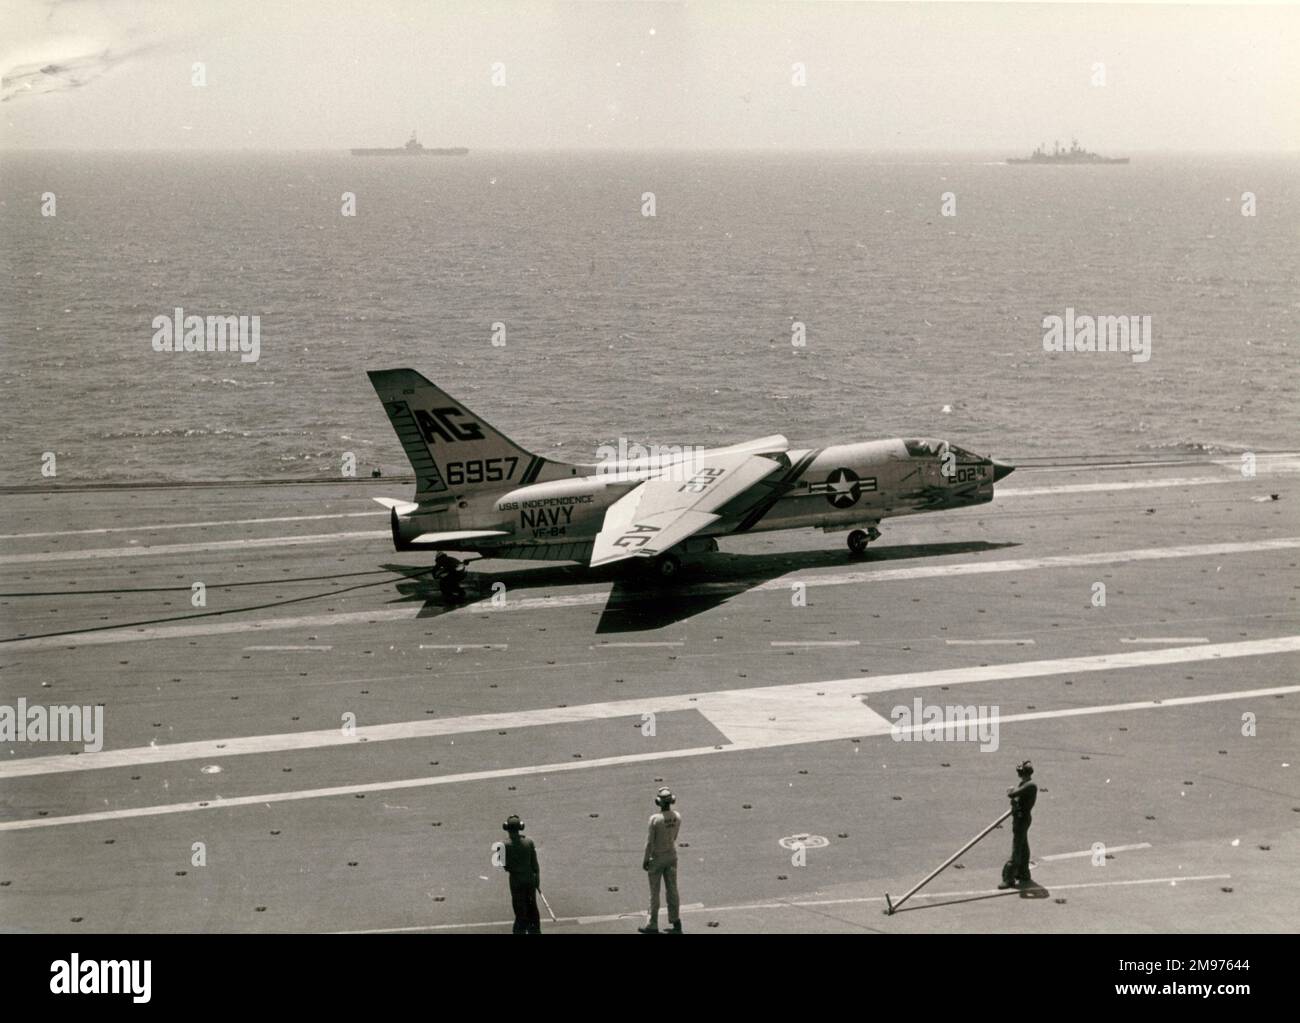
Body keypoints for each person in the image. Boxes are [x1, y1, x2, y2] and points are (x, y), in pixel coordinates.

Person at [638, 787, 683, 934]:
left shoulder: (655, 819)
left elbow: (650, 842)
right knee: (672, 890)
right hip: (671, 856)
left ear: (658, 802)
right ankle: (676, 922)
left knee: (654, 892)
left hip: (657, 858)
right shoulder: (677, 816)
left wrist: (645, 859)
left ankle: (652, 923)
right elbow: (674, 836)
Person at [999, 761, 1038, 889]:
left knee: (1017, 848)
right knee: (1023, 846)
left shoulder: (1030, 785)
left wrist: (1011, 792)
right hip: (1019, 818)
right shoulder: (1025, 784)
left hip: (1022, 819)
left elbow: (1013, 795)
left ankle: (1009, 878)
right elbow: (1016, 799)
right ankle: (1023, 872)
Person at [501, 815, 541, 933]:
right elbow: (535, 864)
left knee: (519, 910)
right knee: (532, 908)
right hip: (529, 879)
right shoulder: (529, 842)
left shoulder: (503, 845)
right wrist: (537, 880)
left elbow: (503, 865)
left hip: (516, 880)